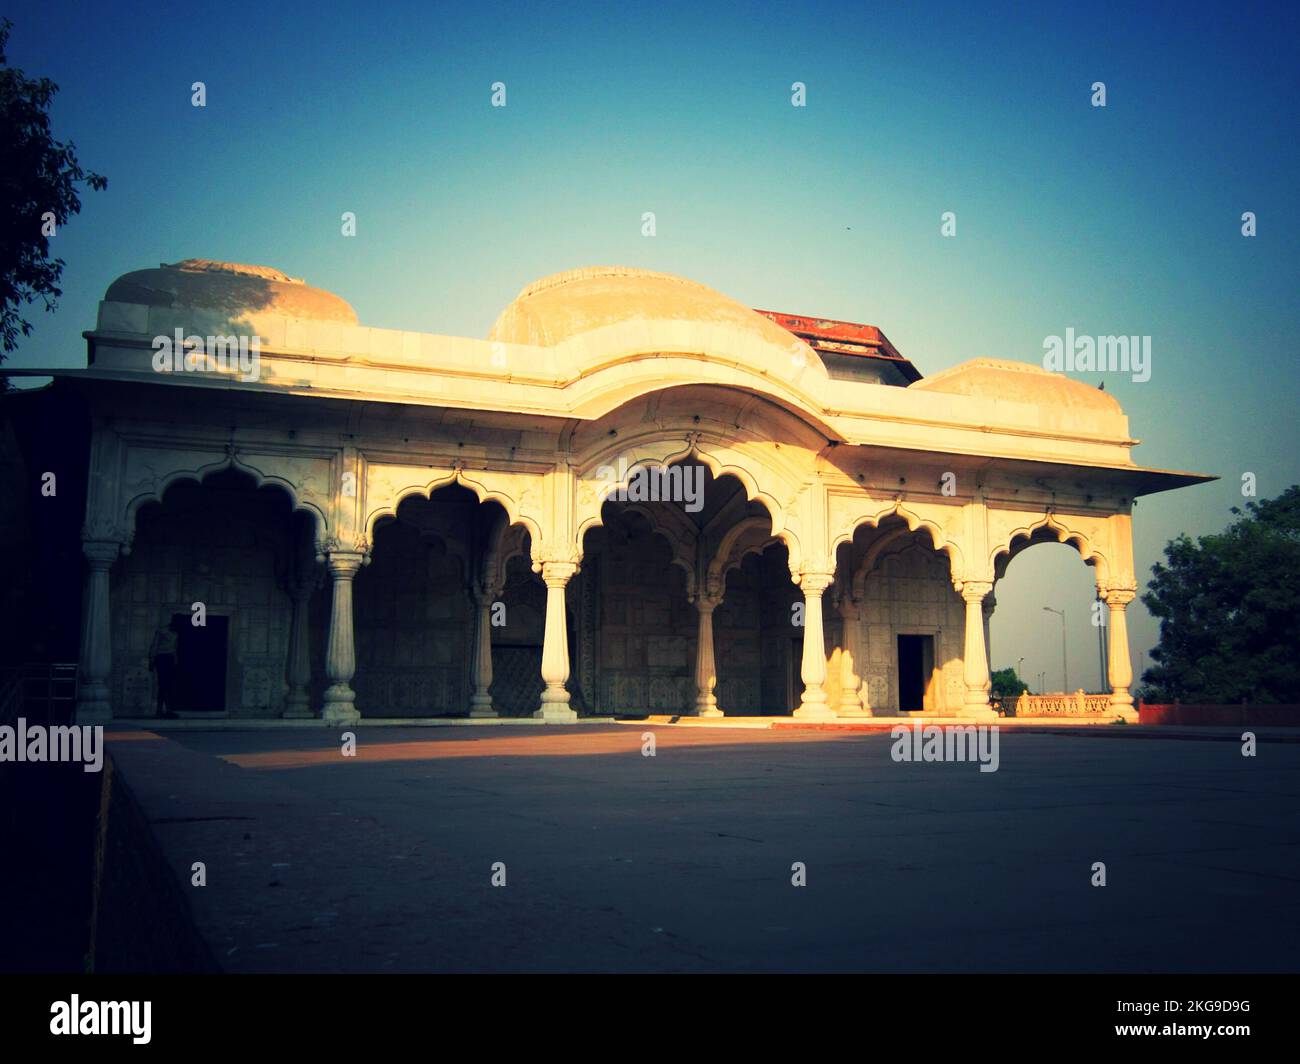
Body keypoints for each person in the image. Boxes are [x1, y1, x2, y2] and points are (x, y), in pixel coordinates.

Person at [149, 621, 179, 717]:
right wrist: (152, 660)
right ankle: (160, 710)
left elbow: (174, 648)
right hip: (161, 657)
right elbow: (155, 645)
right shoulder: (161, 631)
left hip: (170, 658)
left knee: (169, 685)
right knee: (163, 684)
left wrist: (175, 661)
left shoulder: (175, 633)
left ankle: (167, 710)